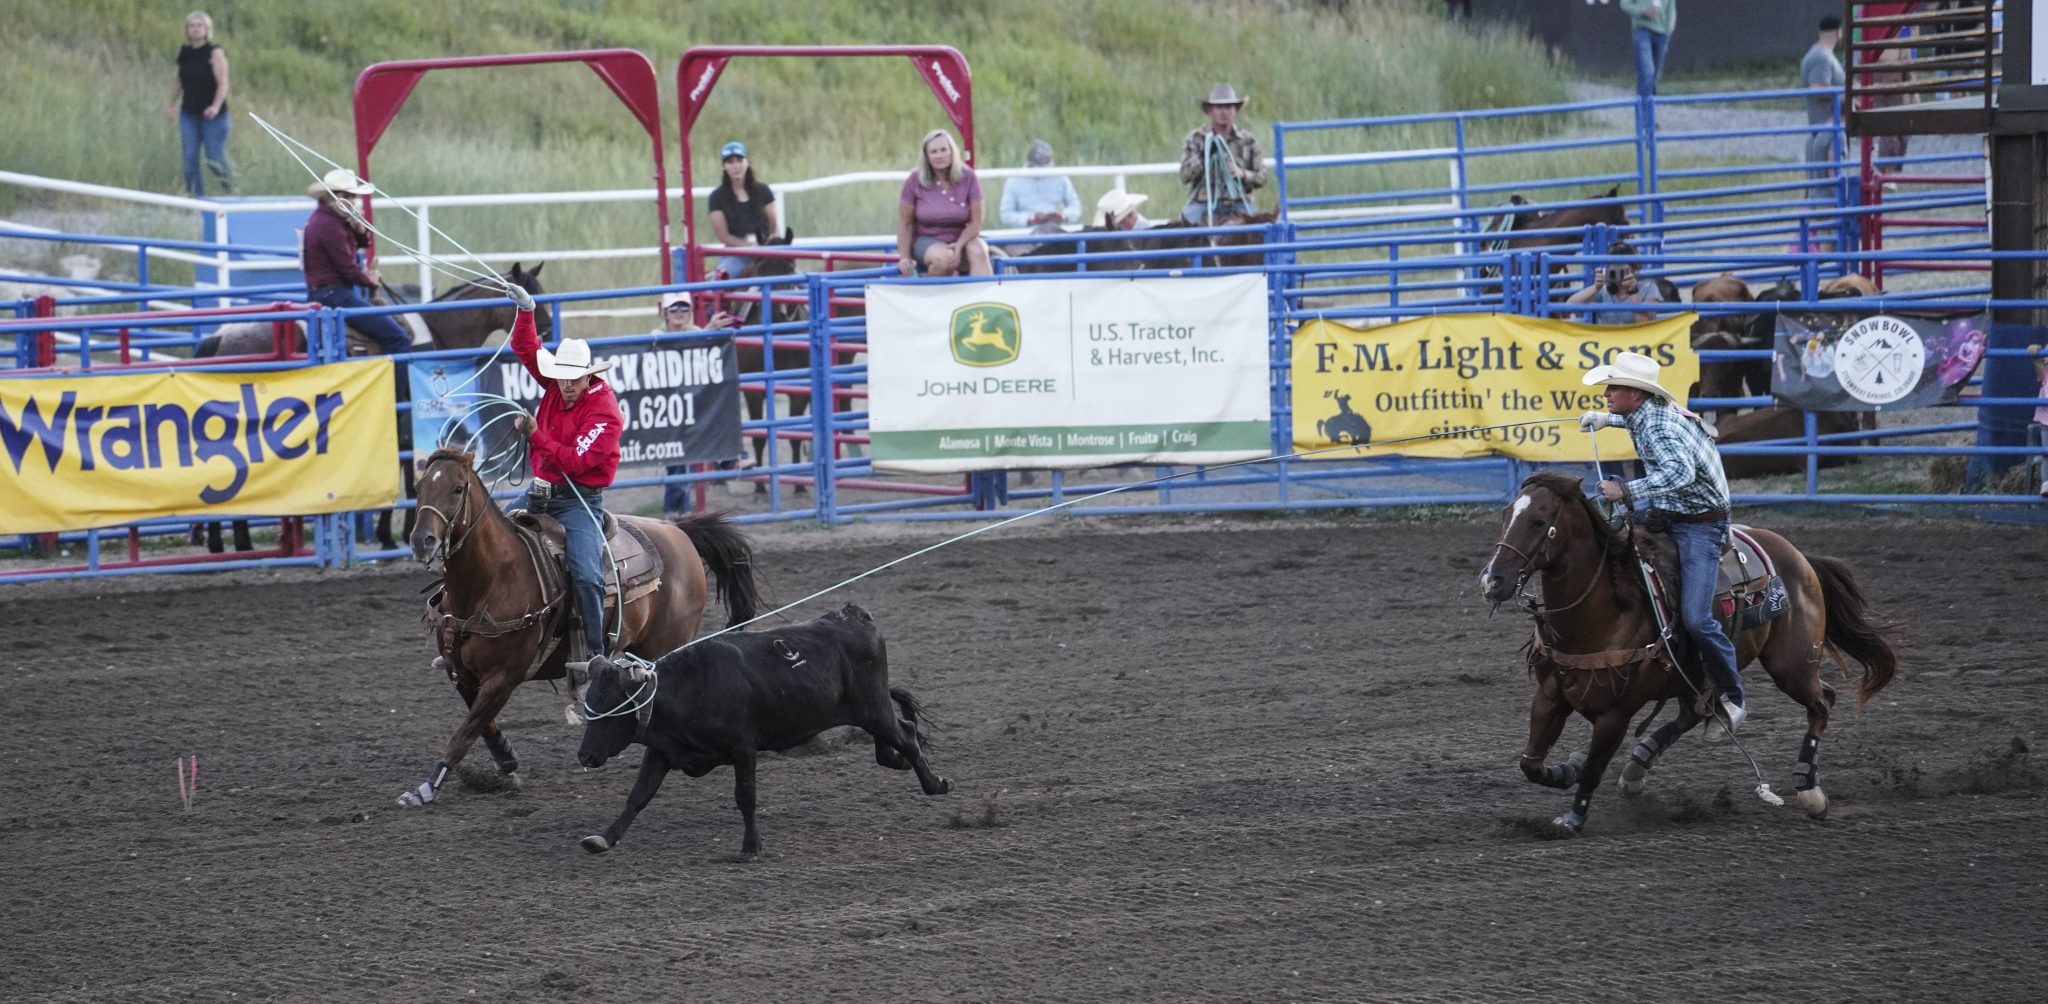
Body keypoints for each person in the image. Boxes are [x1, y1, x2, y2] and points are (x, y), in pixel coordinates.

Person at [1577, 351, 1744, 737]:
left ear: (1635, 394)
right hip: (1672, 509)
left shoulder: (1660, 428)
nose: (1605, 392)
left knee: (1698, 619)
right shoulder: (1646, 412)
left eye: (1613, 388)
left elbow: (1680, 473)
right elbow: (1635, 421)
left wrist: (1626, 489)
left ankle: (1732, 693)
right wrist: (1606, 420)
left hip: (1700, 523)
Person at [507, 286, 622, 663]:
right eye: (561, 379)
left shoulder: (604, 412)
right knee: (490, 534)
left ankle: (595, 652)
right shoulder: (558, 386)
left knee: (587, 575)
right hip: (540, 490)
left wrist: (535, 435)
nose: (566, 386)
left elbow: (574, 462)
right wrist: (526, 310)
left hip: (578, 501)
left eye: (574, 380)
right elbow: (526, 350)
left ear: (589, 377)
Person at [301, 168, 412, 356]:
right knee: (398, 339)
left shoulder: (330, 221)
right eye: (352, 197)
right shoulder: (329, 226)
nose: (355, 202)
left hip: (328, 293)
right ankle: (398, 386)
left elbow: (361, 243)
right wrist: (370, 281)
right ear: (340, 197)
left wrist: (359, 227)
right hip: (334, 296)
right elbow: (348, 270)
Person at [655, 289, 738, 519]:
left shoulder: (695, 333)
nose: (679, 313)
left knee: (682, 463)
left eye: (684, 308)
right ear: (666, 312)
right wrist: (708, 332)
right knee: (678, 464)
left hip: (690, 407)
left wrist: (710, 331)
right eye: (675, 308)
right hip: (668, 409)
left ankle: (675, 516)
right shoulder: (655, 335)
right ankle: (674, 515)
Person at [896, 128, 991, 278]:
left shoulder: (969, 177)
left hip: (962, 237)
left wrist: (959, 245)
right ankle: (930, 295)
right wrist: (904, 257)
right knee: (944, 258)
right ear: (926, 156)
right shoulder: (914, 180)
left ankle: (983, 299)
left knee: (979, 250)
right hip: (926, 239)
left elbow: (977, 222)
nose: (939, 155)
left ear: (952, 151)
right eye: (933, 152)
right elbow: (905, 222)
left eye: (943, 150)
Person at [166, 10, 236, 198]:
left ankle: (232, 189)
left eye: (200, 26)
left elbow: (223, 82)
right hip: (189, 113)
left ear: (207, 30)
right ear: (187, 30)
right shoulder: (185, 53)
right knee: (189, 159)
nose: (196, 29)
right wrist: (171, 104)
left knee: (214, 158)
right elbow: (179, 82)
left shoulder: (215, 52)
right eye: (192, 26)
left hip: (214, 116)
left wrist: (215, 106)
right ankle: (196, 199)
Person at [1179, 84, 1266, 224]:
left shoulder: (1248, 141)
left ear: (1235, 110)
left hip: (1238, 203)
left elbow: (1262, 177)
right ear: (1210, 111)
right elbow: (1184, 175)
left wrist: (1242, 174)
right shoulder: (1195, 139)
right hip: (1202, 203)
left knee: (1259, 231)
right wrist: (1203, 158)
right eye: (1219, 107)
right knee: (1183, 231)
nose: (1224, 112)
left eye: (1229, 107)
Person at [707, 141, 778, 279]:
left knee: (798, 279)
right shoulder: (717, 197)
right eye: (730, 162)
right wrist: (748, 247)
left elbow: (773, 226)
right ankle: (711, 300)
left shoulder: (763, 191)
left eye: (739, 160)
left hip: (765, 251)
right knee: (717, 283)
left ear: (747, 162)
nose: (736, 166)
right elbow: (724, 235)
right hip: (736, 254)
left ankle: (812, 299)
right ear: (724, 167)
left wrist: (766, 245)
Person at [1564, 241, 1663, 325]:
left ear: (1633, 267)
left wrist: (1633, 291)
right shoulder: (1603, 291)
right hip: (1609, 344)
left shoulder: (1649, 288)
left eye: (1621, 265)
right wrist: (1595, 287)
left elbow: (1643, 324)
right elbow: (1569, 306)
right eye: (1614, 265)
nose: (1617, 269)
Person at [1802, 15, 1847, 193]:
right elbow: (1817, 89)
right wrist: (1846, 93)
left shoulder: (1820, 54)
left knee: (1815, 184)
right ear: (1838, 32)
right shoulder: (1822, 57)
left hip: (1821, 125)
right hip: (1827, 124)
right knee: (1828, 179)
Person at [998, 140, 1082, 230]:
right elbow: (1006, 214)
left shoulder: (1061, 178)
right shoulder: (1014, 181)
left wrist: (1063, 216)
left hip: (1057, 233)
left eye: (1045, 166)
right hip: (1024, 235)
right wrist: (1029, 219)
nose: (1042, 171)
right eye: (1038, 166)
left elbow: (1075, 208)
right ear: (1029, 163)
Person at [1620, 0, 1676, 98]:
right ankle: (1644, 108)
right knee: (1647, 71)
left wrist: (1668, 31)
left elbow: (1671, 10)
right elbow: (1625, 4)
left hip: (1662, 34)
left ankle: (1649, 100)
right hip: (1642, 30)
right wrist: (1643, 11)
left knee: (1655, 74)